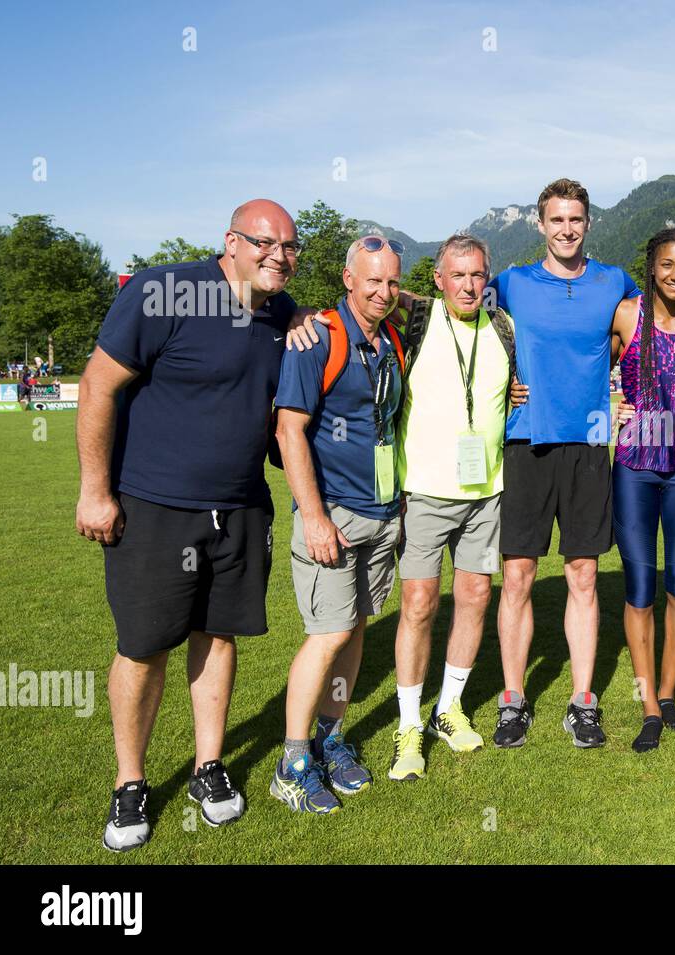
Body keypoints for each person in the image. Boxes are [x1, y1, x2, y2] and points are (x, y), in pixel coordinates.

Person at [76, 199, 299, 851]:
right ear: (230, 242)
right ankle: (130, 782)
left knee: (217, 634)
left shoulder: (283, 315)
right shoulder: (164, 292)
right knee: (144, 646)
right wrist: (95, 491)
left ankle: (208, 767)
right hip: (152, 506)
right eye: (265, 242)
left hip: (239, 507)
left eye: (290, 247)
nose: (278, 256)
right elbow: (96, 386)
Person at [479, 178, 675, 749]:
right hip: (525, 441)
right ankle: (513, 699)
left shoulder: (615, 282)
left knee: (584, 575)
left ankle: (583, 700)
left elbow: (669, 289)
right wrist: (503, 376)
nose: (566, 229)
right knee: (517, 576)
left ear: (588, 224)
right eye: (556, 219)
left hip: (591, 446)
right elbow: (459, 309)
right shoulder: (509, 283)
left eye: (576, 220)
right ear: (540, 224)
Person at [271, 236, 407, 813]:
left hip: (381, 513)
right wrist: (316, 517)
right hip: (333, 516)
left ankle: (331, 736)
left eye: (392, 282)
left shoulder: (393, 338)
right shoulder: (318, 338)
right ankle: (292, 761)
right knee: (326, 634)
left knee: (354, 630)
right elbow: (289, 430)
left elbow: (472, 293)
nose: (383, 292)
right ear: (348, 280)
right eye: (371, 281)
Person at [389, 233, 517, 777]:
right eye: (457, 275)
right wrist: (300, 313)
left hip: (486, 491)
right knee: (419, 604)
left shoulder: (503, 329)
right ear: (438, 280)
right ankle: (408, 725)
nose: (468, 285)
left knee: (474, 597)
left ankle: (449, 709)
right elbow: (366, 295)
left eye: (477, 275)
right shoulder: (416, 318)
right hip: (422, 490)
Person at [609, 227, 675, 752]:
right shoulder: (627, 316)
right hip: (634, 465)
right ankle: (647, 701)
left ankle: (668, 694)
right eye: (668, 264)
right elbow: (586, 364)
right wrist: (606, 408)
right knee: (639, 584)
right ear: (651, 266)